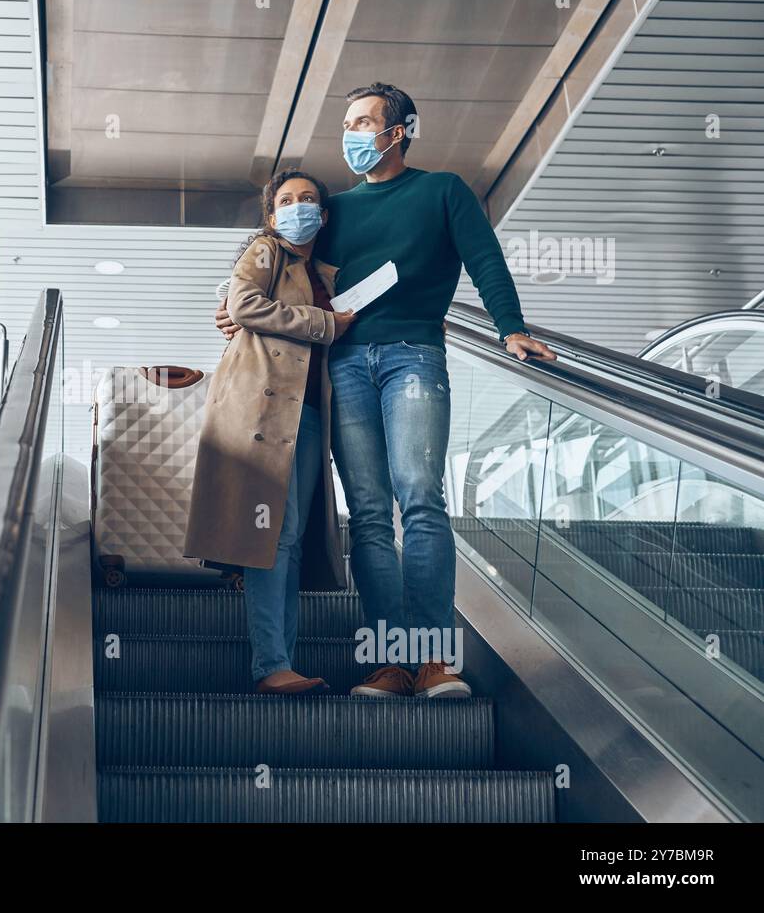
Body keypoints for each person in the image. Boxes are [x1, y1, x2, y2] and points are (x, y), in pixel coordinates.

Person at [216, 83, 556, 699]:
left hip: (413, 357)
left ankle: (432, 661)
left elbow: (485, 259)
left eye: (364, 122)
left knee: (421, 498)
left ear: (399, 131)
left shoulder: (442, 190)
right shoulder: (335, 210)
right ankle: (390, 665)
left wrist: (511, 328)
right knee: (369, 516)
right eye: (346, 123)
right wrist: (235, 309)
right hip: (341, 364)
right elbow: (287, 266)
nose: (351, 134)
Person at [185, 169, 355, 694]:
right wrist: (324, 324)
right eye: (286, 200)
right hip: (261, 412)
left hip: (304, 415)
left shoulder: (326, 273)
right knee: (272, 536)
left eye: (308, 200)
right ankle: (270, 664)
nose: (298, 207)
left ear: (324, 216)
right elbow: (243, 305)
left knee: (294, 537)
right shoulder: (266, 250)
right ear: (271, 215)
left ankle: (284, 663)